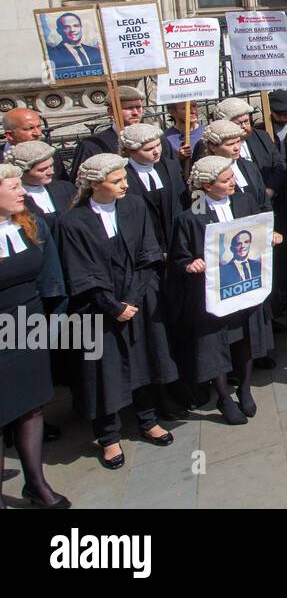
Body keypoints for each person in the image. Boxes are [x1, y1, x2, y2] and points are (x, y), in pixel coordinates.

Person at [60, 154, 178, 468]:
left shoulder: (135, 206)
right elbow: (80, 270)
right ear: (95, 185)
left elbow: (148, 253)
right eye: (117, 181)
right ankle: (109, 437)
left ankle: (147, 418)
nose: (125, 185)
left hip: (136, 299)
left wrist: (132, 299)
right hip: (98, 309)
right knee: (104, 374)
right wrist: (112, 306)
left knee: (144, 362)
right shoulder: (72, 222)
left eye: (124, 178)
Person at [169, 156, 277, 424]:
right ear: (207, 186)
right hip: (212, 291)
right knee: (216, 343)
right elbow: (178, 256)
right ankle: (224, 397)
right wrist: (190, 264)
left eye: (232, 177)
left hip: (245, 286)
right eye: (226, 180)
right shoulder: (190, 217)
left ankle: (245, 386)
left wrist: (271, 236)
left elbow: (258, 233)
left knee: (245, 337)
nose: (233, 182)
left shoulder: (244, 201)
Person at [0, 163, 69, 507]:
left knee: (32, 407)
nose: (23, 192)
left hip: (29, 324)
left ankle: (35, 482)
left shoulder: (29, 224)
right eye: (14, 187)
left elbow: (48, 274)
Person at [71, 85, 176, 179]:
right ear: (111, 111)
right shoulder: (93, 145)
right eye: (129, 108)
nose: (135, 112)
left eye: (138, 107)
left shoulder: (157, 138)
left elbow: (171, 170)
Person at [120, 122, 187, 254]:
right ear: (130, 151)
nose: (157, 152)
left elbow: (184, 202)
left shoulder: (172, 167)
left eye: (158, 145)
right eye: (148, 149)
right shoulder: (124, 176)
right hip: (146, 250)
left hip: (177, 244)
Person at [202, 120, 271, 213]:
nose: (237, 147)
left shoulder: (250, 166)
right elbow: (198, 210)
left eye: (238, 142)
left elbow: (264, 201)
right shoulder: (203, 174)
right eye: (230, 144)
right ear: (213, 147)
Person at [11, 141, 75, 234]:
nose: (51, 172)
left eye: (51, 166)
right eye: (42, 170)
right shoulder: (15, 199)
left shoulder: (65, 189)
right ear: (23, 171)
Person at [44, 11, 104, 81]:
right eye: (67, 27)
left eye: (76, 26)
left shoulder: (96, 52)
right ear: (59, 31)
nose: (72, 30)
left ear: (81, 28)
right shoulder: (53, 55)